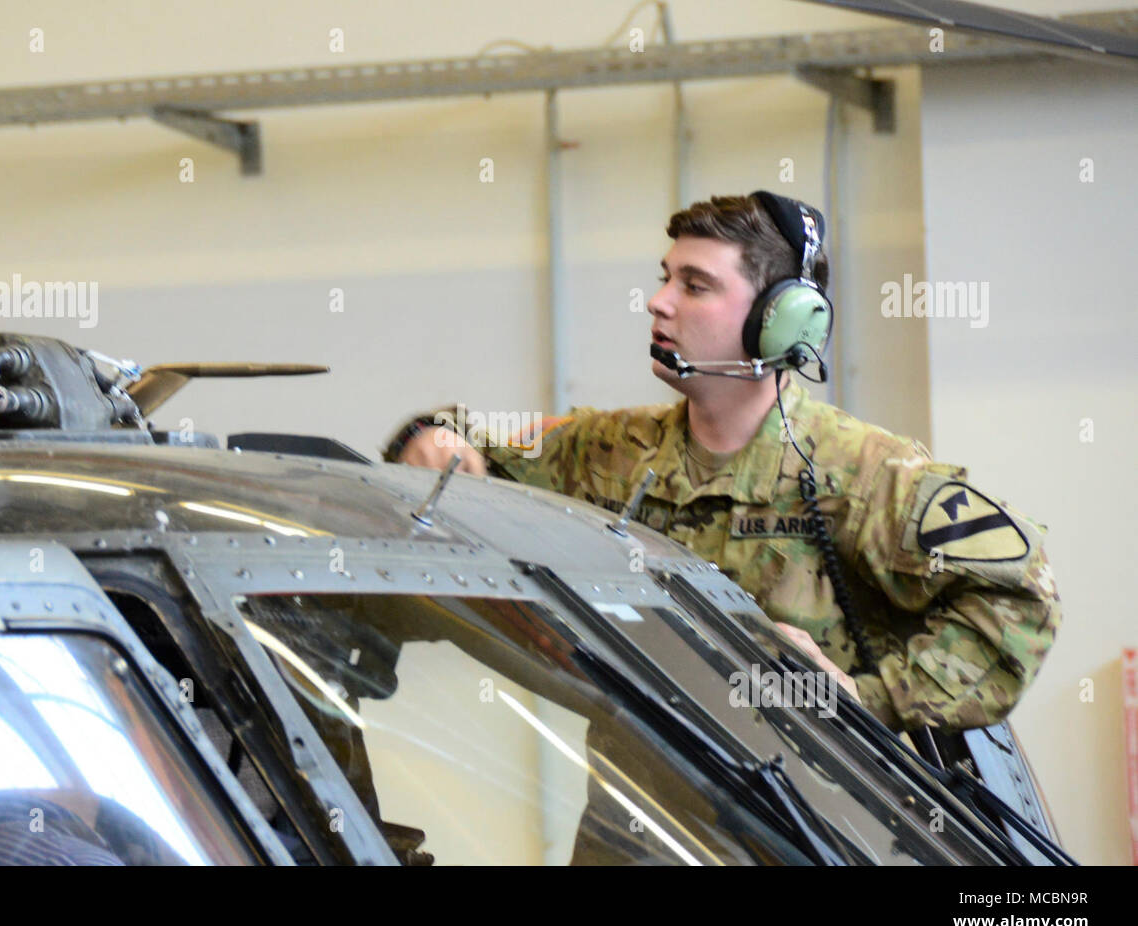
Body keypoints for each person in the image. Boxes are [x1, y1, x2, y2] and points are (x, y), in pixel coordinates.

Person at [383, 192, 1059, 733]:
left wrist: (866, 699)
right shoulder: (606, 447)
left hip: (806, 831)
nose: (659, 301)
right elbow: (466, 436)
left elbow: (1020, 595)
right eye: (665, 278)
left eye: (695, 285)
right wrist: (436, 437)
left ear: (780, 321)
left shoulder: (868, 475)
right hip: (647, 827)